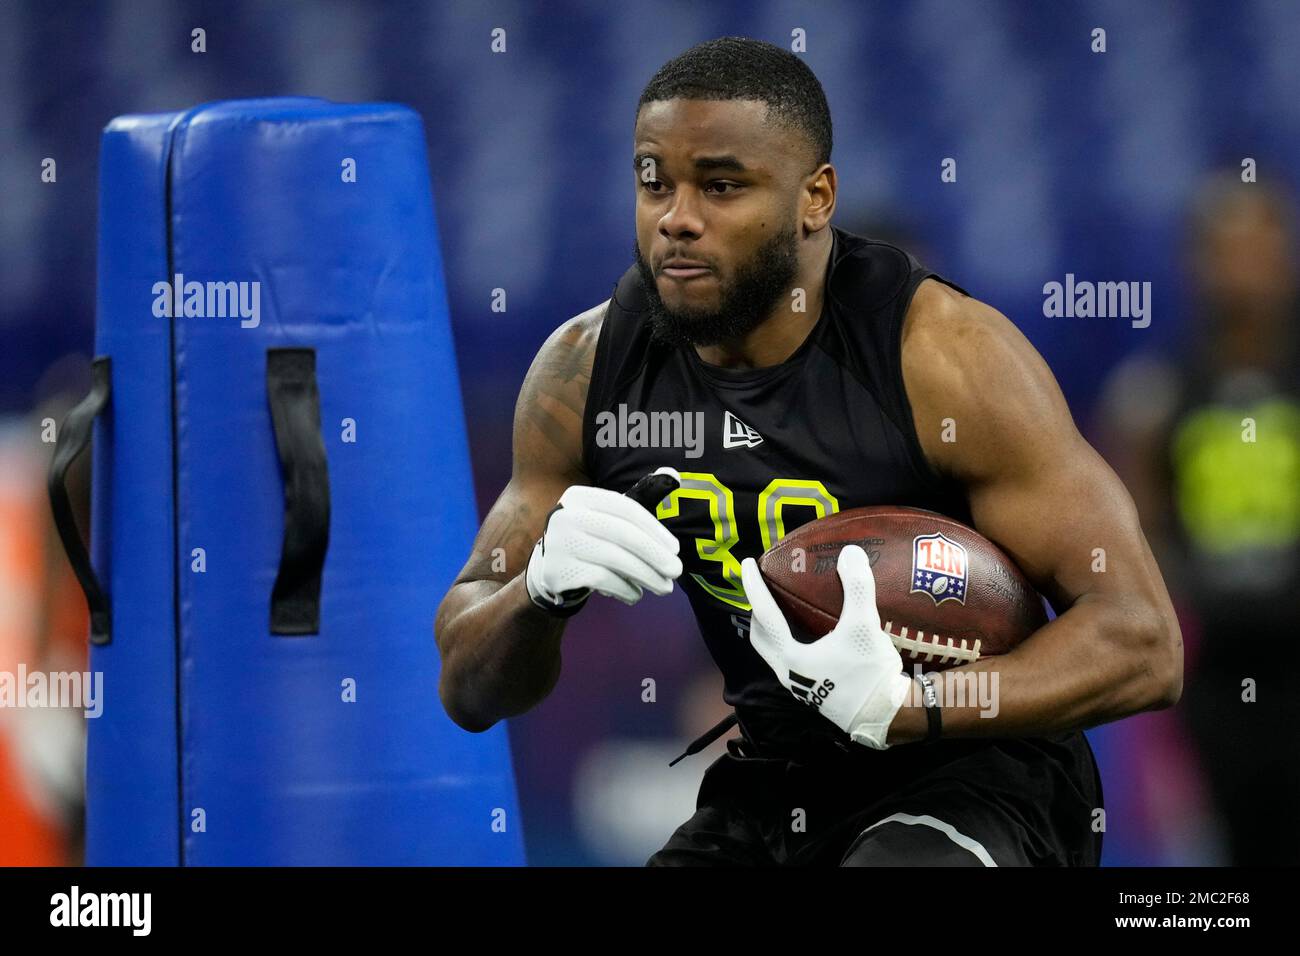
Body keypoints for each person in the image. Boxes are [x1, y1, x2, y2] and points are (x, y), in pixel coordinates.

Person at [434, 36, 1182, 866]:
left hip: (977, 773)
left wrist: (909, 706)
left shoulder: (944, 357)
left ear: (815, 197)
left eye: (721, 185)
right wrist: (537, 592)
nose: (677, 217)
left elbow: (1142, 641)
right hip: (773, 779)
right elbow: (466, 689)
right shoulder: (585, 373)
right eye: (654, 181)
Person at [1095, 173, 1300, 865]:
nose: (1243, 270)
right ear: (1196, 263)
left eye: (1259, 248)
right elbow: (1137, 533)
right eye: (1226, 250)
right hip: (1215, 670)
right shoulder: (1156, 393)